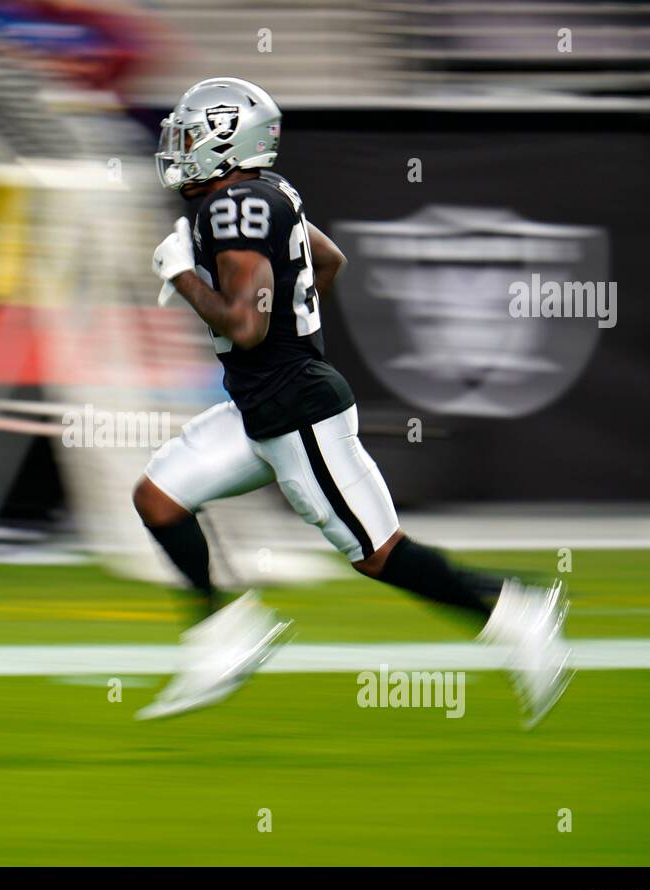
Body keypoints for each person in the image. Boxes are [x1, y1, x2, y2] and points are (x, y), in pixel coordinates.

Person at [134, 77, 571, 724]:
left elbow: (245, 323)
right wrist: (293, 332)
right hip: (265, 405)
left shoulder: (233, 206)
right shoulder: (267, 192)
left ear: (227, 142)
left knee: (378, 554)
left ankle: (517, 612)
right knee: (159, 498)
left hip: (297, 415)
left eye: (192, 133)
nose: (180, 145)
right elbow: (328, 259)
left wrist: (182, 277)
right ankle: (224, 637)